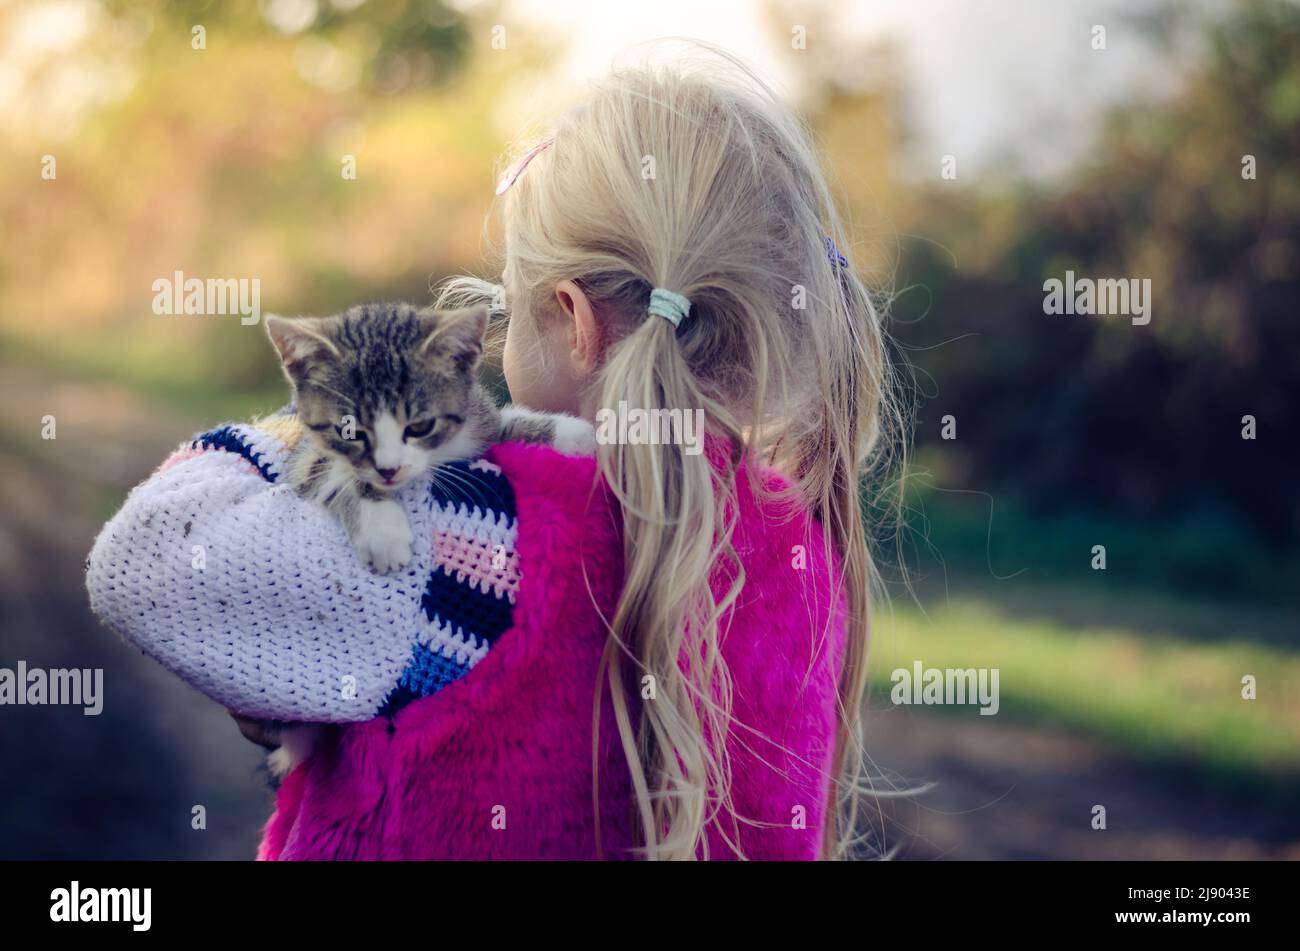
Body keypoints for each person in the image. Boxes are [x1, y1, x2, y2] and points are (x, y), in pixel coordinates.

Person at [86, 48, 898, 860]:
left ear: (575, 322)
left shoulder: (474, 534)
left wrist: (321, 414)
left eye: (510, 308)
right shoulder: (805, 551)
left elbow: (137, 561)